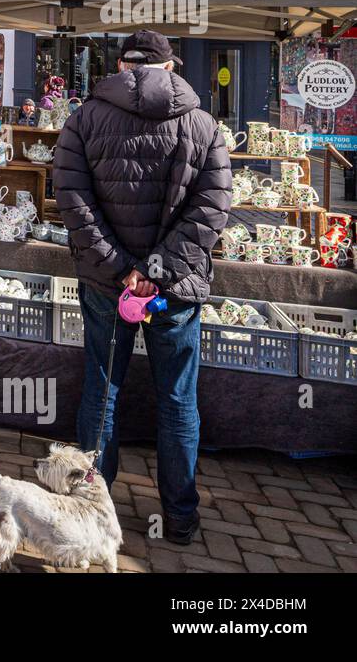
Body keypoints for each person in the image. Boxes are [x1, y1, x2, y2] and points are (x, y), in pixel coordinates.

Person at [52, 30, 231, 546]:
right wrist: (155, 269)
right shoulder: (202, 124)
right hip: (174, 289)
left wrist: (120, 268)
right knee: (177, 398)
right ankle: (178, 516)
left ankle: (91, 510)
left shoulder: (85, 117)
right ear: (170, 67)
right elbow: (212, 208)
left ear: (123, 66)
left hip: (110, 286)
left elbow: (71, 199)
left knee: (102, 392)